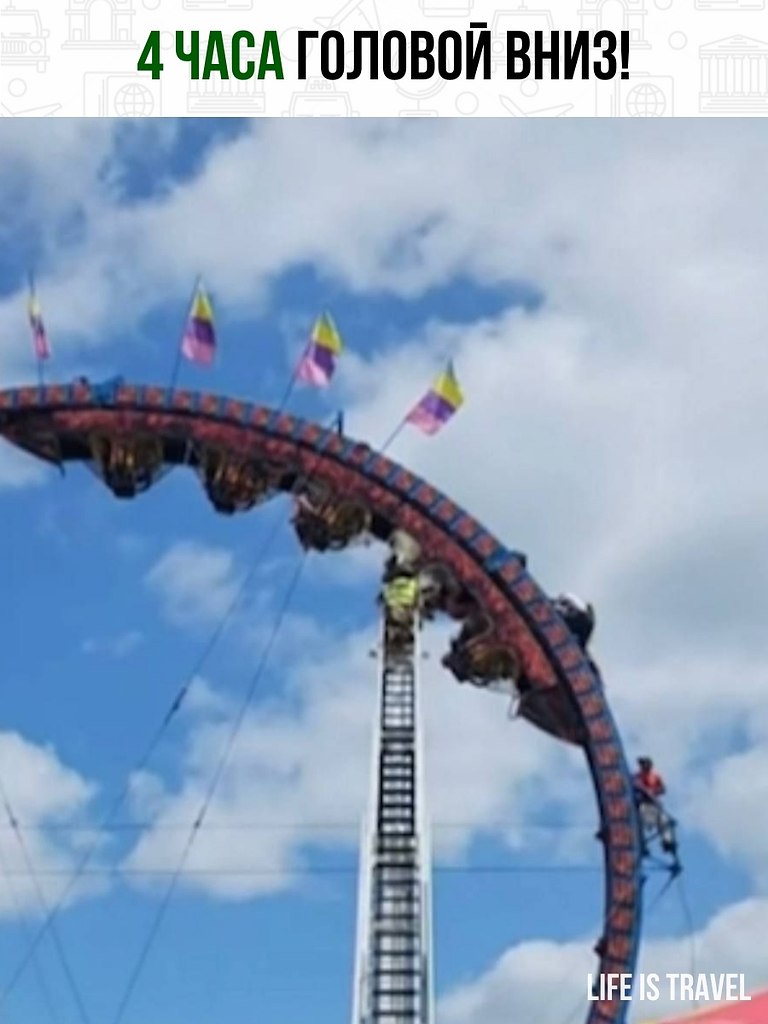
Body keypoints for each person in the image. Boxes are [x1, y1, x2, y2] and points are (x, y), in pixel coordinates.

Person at [633, 757, 677, 855]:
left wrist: (653, 792)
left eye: (645, 764)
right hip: (643, 804)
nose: (643, 766)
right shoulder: (637, 777)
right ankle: (641, 843)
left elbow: (663, 789)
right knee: (643, 821)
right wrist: (644, 790)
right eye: (642, 764)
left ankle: (667, 841)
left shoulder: (655, 777)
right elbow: (636, 786)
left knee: (663, 821)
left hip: (654, 804)